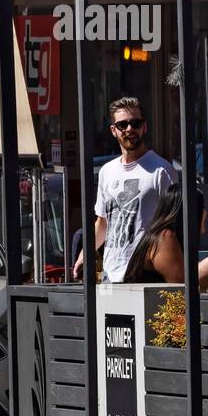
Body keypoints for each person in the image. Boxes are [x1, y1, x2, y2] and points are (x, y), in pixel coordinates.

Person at [72, 97, 174, 282]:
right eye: (122, 125)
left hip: (145, 274)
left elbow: (172, 227)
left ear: (145, 127)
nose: (129, 129)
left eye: (135, 123)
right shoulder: (107, 171)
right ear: (113, 130)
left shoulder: (162, 170)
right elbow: (102, 224)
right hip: (110, 275)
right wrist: (84, 255)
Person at [122, 185, 204, 283]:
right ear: (192, 212)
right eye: (202, 207)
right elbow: (182, 288)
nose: (206, 211)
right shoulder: (165, 237)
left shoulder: (162, 234)